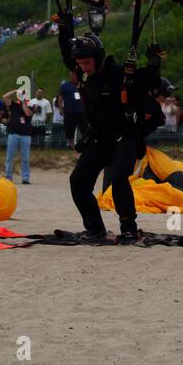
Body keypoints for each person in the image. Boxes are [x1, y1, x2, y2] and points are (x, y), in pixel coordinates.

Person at [58, 16, 164, 242]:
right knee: (78, 181)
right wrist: (63, 27)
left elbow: (148, 81)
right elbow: (67, 53)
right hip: (101, 139)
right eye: (81, 64)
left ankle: (129, 228)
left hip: (125, 138)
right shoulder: (83, 75)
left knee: (118, 178)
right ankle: (95, 228)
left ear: (97, 59)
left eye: (87, 63)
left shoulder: (118, 74)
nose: (83, 68)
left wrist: (154, 64)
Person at [1, 91, 33, 184]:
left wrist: (23, 102)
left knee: (25, 158)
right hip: (13, 134)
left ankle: (25, 178)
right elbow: (5, 96)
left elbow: (28, 114)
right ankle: (8, 177)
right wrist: (15, 91)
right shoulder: (13, 105)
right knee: (9, 157)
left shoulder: (29, 106)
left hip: (25, 136)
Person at [56, 75, 86, 149]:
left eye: (75, 75)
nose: (74, 76)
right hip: (69, 112)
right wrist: (61, 110)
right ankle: (72, 146)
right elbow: (60, 98)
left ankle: (85, 145)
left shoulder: (82, 84)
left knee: (84, 129)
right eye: (72, 75)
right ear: (70, 76)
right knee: (69, 130)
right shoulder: (65, 86)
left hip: (82, 111)